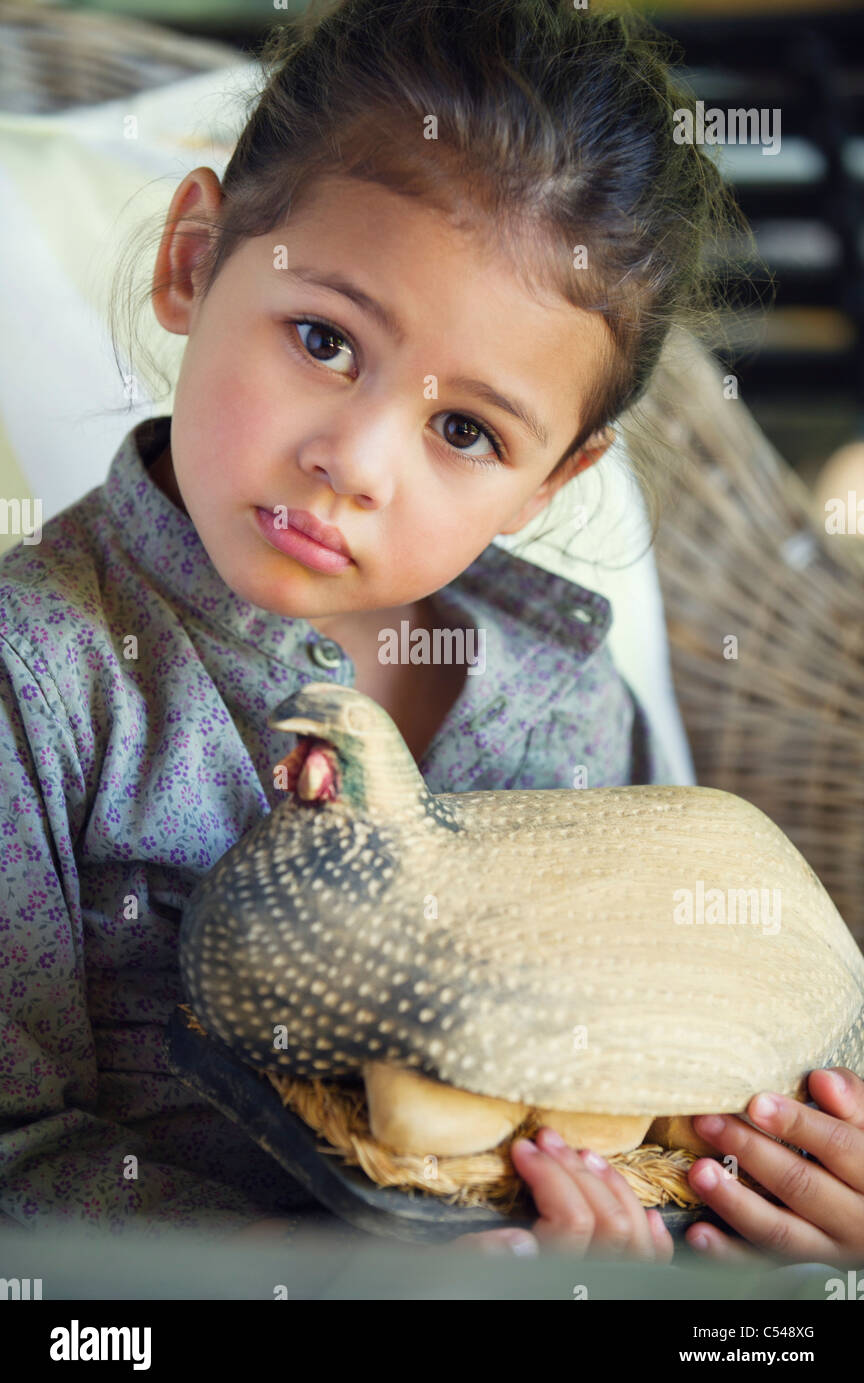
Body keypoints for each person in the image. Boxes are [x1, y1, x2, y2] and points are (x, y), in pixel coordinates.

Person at [3, 0, 860, 1262]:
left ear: (553, 482)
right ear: (192, 261)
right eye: (323, 339)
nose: (352, 461)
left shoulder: (571, 708)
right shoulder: (42, 681)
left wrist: (755, 1207)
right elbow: (16, 1158)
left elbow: (661, 1062)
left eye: (466, 432)